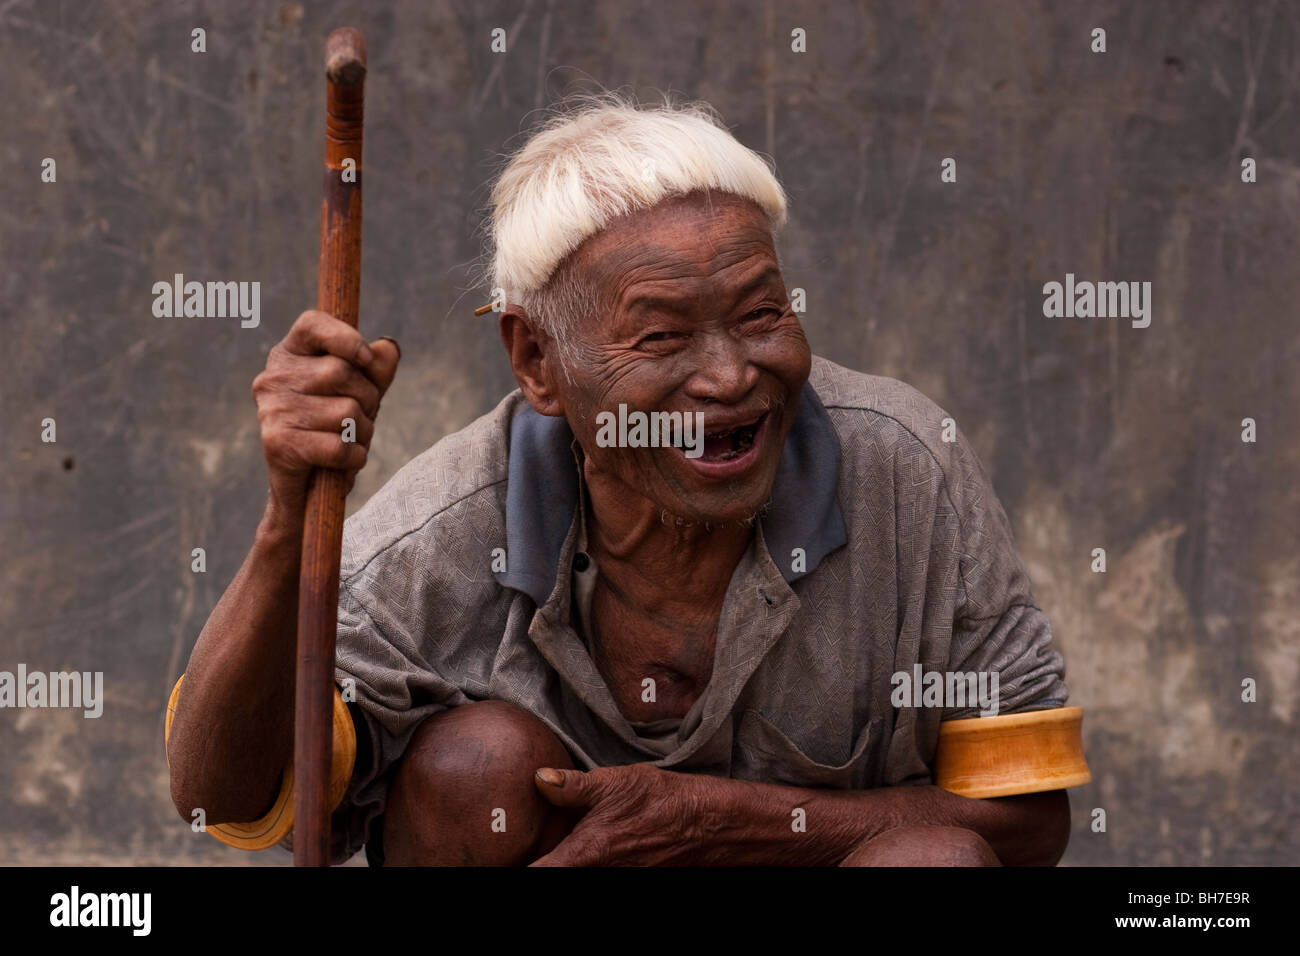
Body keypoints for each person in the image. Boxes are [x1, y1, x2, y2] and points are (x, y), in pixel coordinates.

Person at [167, 94, 1075, 867]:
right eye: (662, 336)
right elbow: (222, 798)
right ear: (536, 360)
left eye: (762, 314)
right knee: (471, 768)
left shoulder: (905, 466)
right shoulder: (457, 520)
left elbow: (1031, 822)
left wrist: (717, 823)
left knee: (935, 862)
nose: (729, 376)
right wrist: (288, 516)